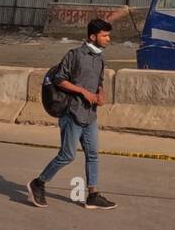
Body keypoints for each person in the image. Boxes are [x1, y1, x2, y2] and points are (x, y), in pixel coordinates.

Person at [27, 19, 117, 210]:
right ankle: (38, 183)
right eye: (104, 35)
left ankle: (93, 194)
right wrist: (83, 92)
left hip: (90, 115)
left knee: (93, 154)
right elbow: (59, 79)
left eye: (108, 35)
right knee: (67, 155)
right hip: (72, 113)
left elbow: (99, 83)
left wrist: (101, 96)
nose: (108, 39)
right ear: (93, 37)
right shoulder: (74, 55)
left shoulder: (100, 59)